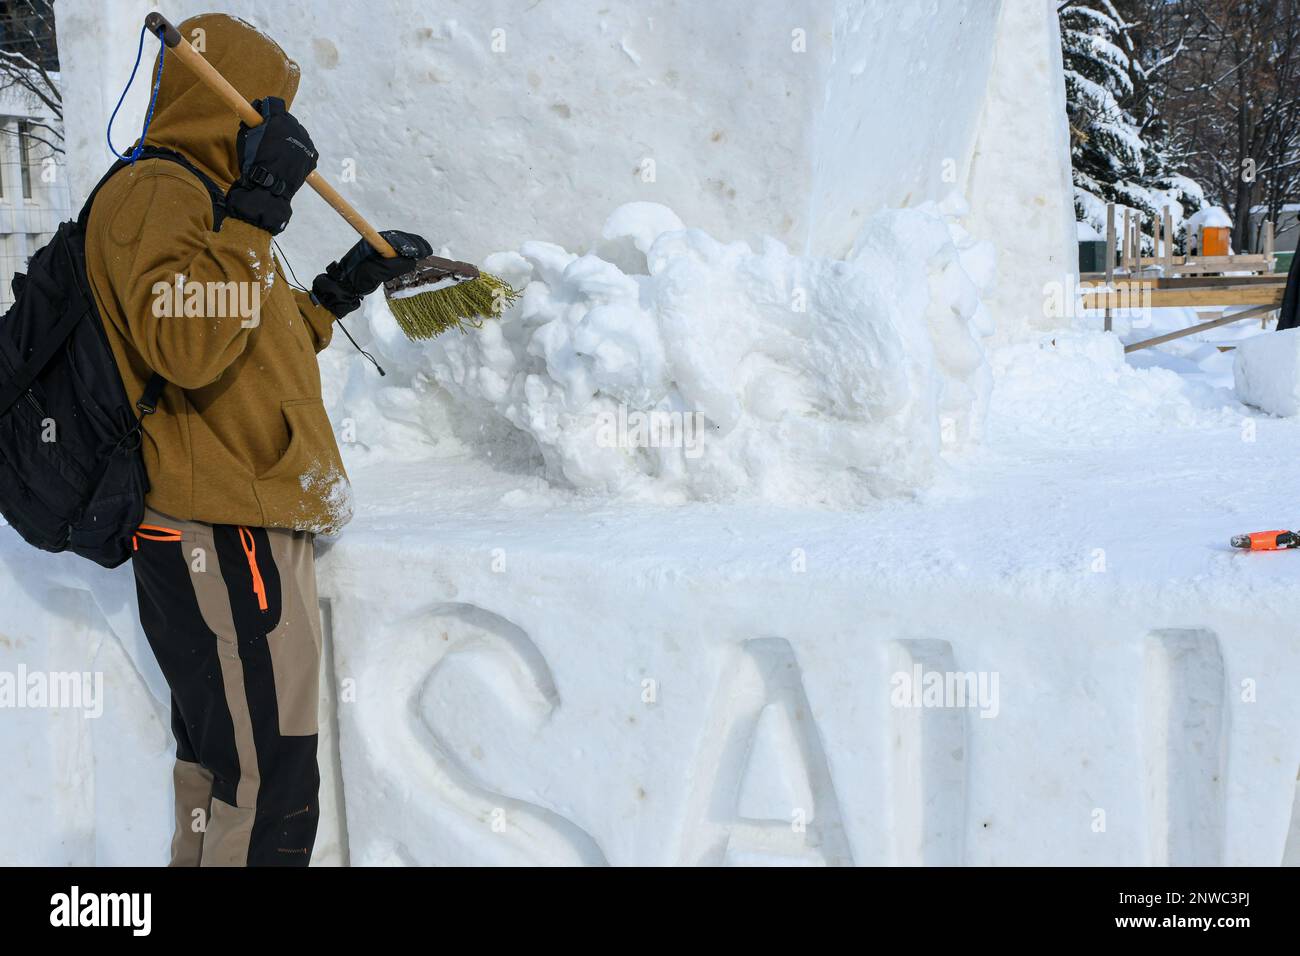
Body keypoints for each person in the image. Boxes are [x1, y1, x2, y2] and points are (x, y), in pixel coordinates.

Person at [83, 13, 430, 866]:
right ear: (217, 97)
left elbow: (249, 349)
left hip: (238, 515)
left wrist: (337, 293)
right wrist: (259, 212)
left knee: (226, 768)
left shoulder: (207, 202)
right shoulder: (158, 192)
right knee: (269, 784)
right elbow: (186, 343)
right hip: (217, 529)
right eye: (263, 102)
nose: (273, 121)